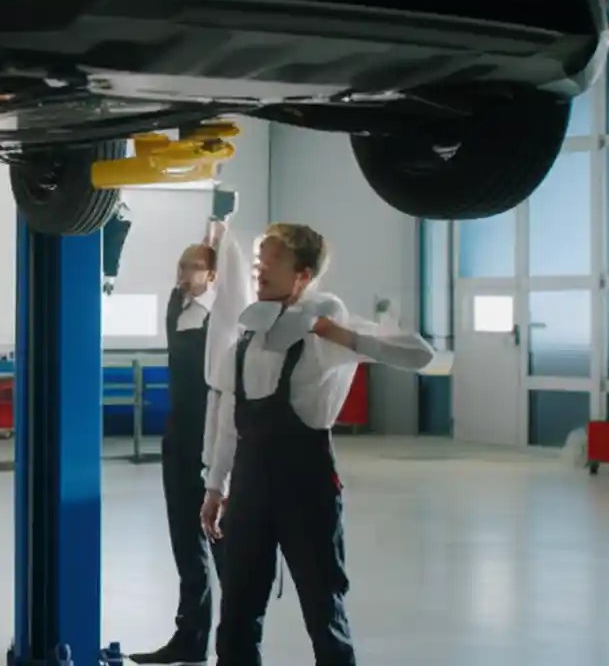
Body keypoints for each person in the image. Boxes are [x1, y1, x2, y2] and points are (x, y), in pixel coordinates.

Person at [199, 223, 434, 666]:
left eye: (272, 261)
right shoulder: (247, 337)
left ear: (302, 275)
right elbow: (230, 419)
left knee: (322, 608)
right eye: (258, 261)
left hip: (305, 488)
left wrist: (341, 334)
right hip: (249, 489)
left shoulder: (322, 332)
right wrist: (215, 486)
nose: (260, 269)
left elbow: (420, 355)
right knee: (237, 614)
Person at [132, 240, 223, 665]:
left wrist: (218, 234)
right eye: (182, 265)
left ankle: (236, 644)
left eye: (196, 266)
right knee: (185, 544)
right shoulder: (178, 311)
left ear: (213, 274)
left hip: (212, 442)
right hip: (179, 439)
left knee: (223, 545)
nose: (186, 273)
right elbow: (179, 298)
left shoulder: (224, 319)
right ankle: (190, 637)